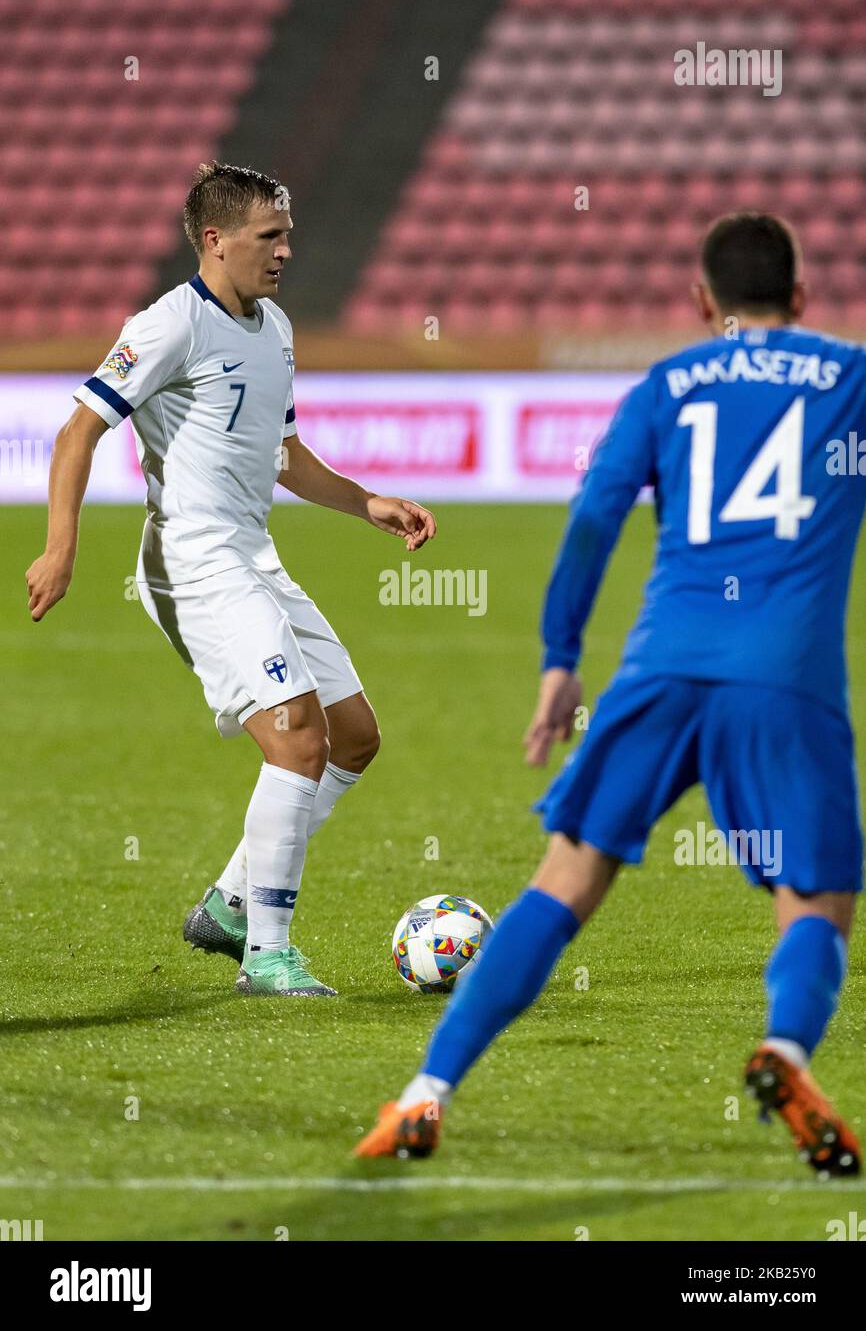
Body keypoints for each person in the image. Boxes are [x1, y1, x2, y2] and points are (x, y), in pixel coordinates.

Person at [356, 212, 862, 1174]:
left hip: (662, 664)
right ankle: (786, 1050)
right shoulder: (849, 378)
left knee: (565, 881)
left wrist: (559, 656)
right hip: (788, 678)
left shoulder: (669, 383)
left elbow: (593, 513)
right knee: (815, 900)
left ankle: (425, 1095)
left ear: (702, 303)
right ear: (800, 299)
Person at [26, 161, 436, 998]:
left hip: (253, 556)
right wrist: (59, 547)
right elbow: (76, 434)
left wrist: (368, 503)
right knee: (295, 734)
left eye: (287, 232)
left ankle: (228, 903)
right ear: (214, 242)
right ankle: (266, 954)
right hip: (194, 562)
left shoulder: (276, 326)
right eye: (270, 235)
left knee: (353, 735)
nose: (287, 249)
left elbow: (282, 454)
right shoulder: (169, 325)